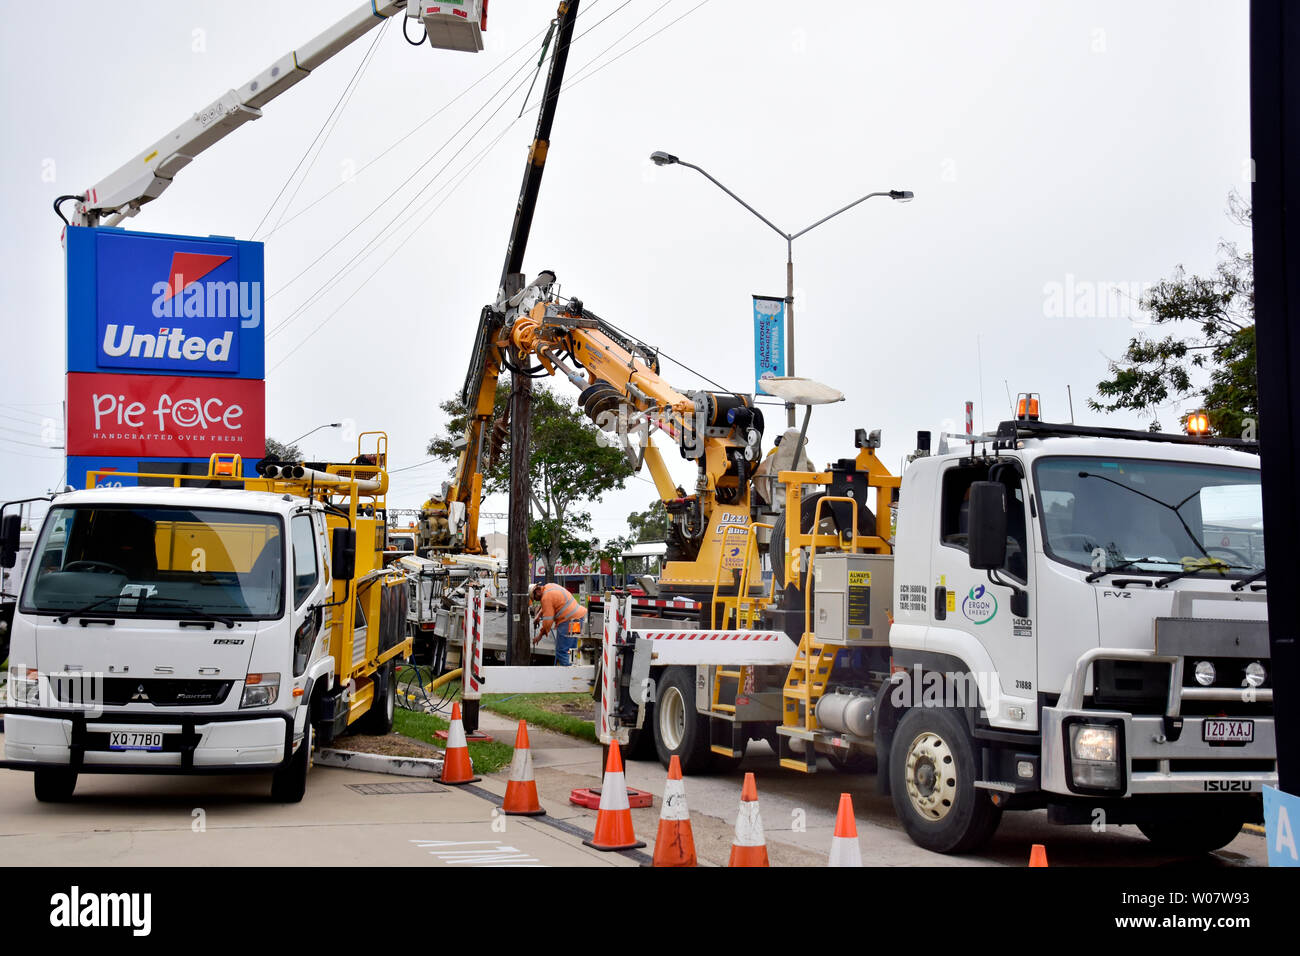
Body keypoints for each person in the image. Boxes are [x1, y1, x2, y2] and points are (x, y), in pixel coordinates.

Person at [530, 582, 586, 666]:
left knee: (562, 652)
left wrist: (540, 635)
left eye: (535, 598)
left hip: (567, 622)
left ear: (537, 591)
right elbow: (550, 603)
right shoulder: (549, 586)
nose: (537, 601)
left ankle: (568, 675)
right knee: (572, 650)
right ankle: (574, 671)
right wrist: (539, 615)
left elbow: (548, 623)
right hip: (578, 618)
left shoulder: (545, 598)